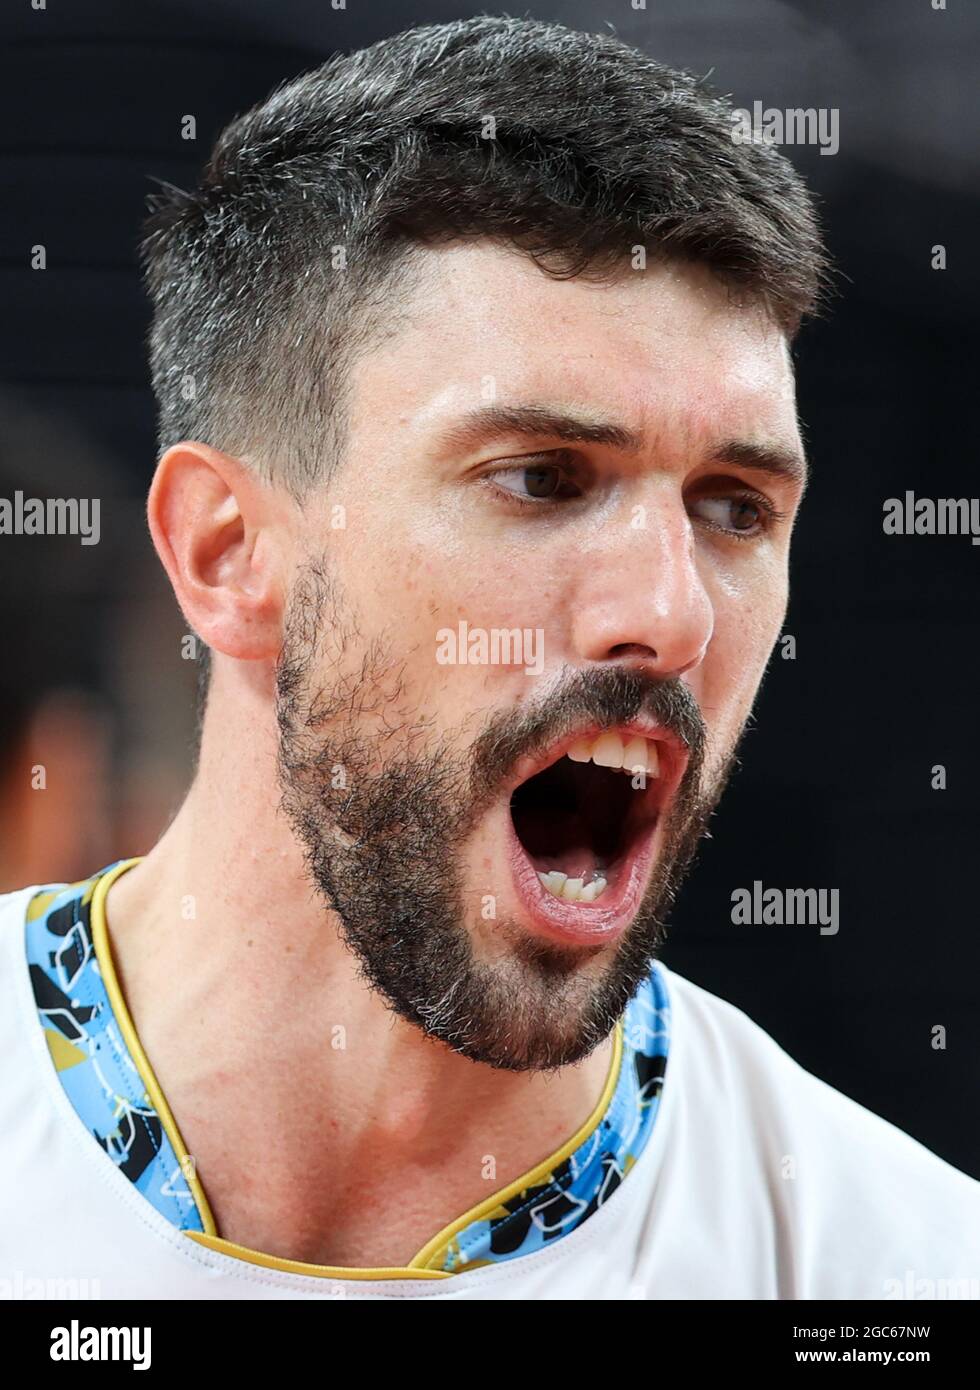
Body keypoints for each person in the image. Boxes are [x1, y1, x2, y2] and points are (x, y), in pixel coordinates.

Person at [1, 15, 976, 1301]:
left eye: (734, 505)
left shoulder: (895, 1271)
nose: (673, 615)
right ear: (228, 552)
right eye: (539, 477)